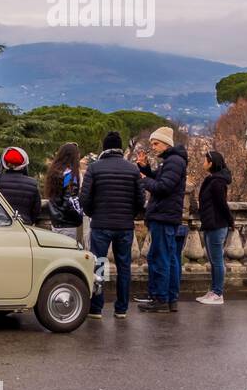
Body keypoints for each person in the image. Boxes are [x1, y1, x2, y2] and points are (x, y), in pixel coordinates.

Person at [80, 131, 145, 318]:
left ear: (104, 147)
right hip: (125, 225)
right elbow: (140, 200)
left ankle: (96, 307)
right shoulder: (132, 169)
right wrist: (129, 215)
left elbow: (84, 198)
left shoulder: (94, 168)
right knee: (124, 267)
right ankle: (121, 308)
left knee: (99, 265)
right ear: (120, 147)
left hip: (101, 224)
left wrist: (93, 213)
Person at [136, 126, 188, 313]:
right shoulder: (173, 161)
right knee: (170, 258)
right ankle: (170, 299)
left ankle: (160, 299)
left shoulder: (173, 162)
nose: (153, 147)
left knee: (160, 258)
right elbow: (160, 179)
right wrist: (144, 168)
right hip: (167, 216)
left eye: (155, 143)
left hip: (163, 216)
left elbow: (163, 187)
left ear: (166, 143)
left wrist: (143, 179)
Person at [195, 150, 234, 305]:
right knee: (213, 260)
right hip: (211, 224)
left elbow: (222, 204)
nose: (203, 163)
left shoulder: (217, 182)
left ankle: (218, 293)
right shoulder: (213, 179)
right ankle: (213, 291)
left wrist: (230, 221)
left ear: (211, 163)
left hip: (217, 225)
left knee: (217, 261)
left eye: (205, 160)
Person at [0, 146, 42, 225]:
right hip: (24, 226)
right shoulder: (32, 183)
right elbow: (36, 210)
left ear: (5, 163)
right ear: (24, 163)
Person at [44, 142, 83, 241]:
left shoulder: (54, 172)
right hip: (67, 223)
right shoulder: (69, 175)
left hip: (55, 221)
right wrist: (79, 215)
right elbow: (70, 199)